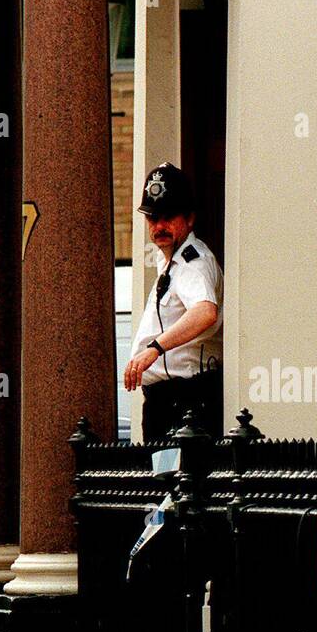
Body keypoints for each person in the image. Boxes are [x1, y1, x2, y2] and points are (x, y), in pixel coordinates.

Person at [125, 162, 224, 440]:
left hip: (186, 401)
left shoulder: (193, 262)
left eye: (168, 217)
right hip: (167, 403)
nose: (159, 226)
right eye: (152, 218)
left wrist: (154, 349)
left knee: (177, 480)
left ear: (189, 218)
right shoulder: (169, 259)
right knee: (163, 480)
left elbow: (205, 312)